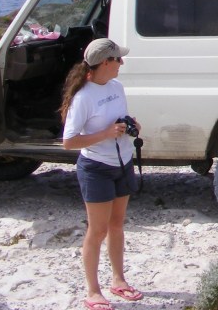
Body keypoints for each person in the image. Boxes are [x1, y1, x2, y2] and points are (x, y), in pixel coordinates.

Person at [60, 38, 144, 309]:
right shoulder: (83, 96)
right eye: (118, 59)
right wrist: (106, 134)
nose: (122, 63)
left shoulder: (117, 87)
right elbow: (69, 142)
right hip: (96, 168)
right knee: (97, 231)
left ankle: (118, 280)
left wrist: (131, 125)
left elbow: (121, 118)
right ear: (105, 63)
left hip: (122, 163)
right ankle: (93, 291)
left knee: (117, 224)